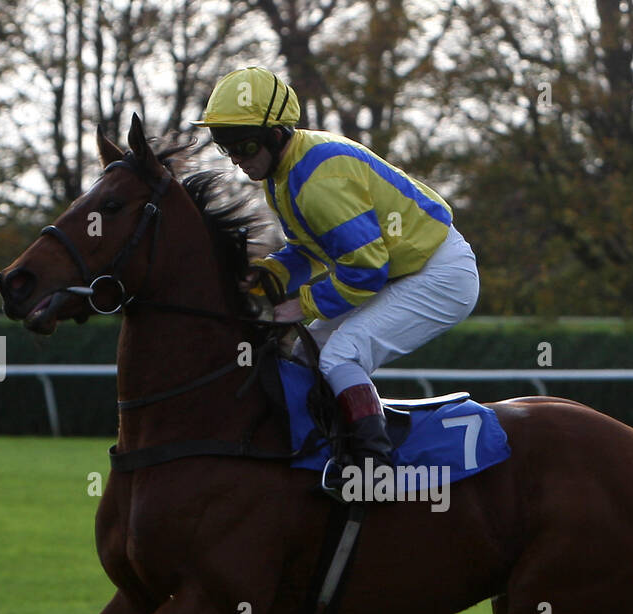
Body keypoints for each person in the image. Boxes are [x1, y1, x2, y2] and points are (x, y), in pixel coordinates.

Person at [195, 66, 479, 488]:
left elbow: (366, 270)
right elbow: (311, 252)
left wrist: (303, 303)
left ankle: (372, 466)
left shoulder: (317, 181)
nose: (237, 158)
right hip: (401, 270)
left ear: (277, 133)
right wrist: (264, 275)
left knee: (340, 355)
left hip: (440, 274)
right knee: (302, 357)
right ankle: (322, 449)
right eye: (226, 146)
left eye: (245, 143)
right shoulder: (283, 175)